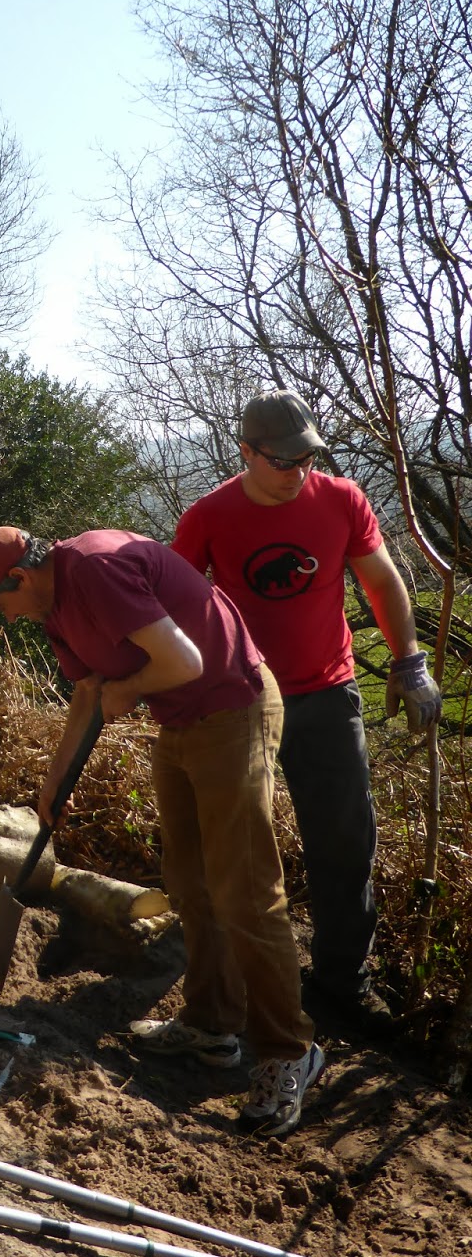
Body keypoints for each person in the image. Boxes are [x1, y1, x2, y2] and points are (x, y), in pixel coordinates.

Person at [0, 524, 323, 1137]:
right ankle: (213, 1029)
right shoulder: (54, 610)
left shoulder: (96, 569)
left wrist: (129, 689)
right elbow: (87, 694)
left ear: (19, 577)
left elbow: (186, 660)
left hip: (233, 706)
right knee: (188, 881)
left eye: (1, 603)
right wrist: (53, 784)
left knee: (245, 890)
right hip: (182, 723)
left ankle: (291, 1052)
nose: (6, 616)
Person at [172, 390, 442, 1035]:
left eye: (307, 458)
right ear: (246, 453)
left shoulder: (341, 499)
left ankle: (343, 984)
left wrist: (409, 663)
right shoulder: (209, 516)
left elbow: (380, 580)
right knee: (239, 855)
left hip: (327, 693)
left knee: (346, 842)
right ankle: (237, 992)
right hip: (242, 702)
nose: (297, 472)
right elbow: (177, 609)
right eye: (282, 461)